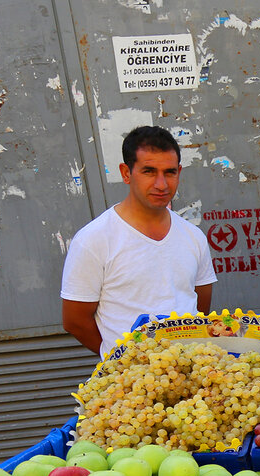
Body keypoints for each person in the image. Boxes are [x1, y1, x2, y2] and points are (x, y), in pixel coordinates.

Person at [61, 126, 216, 357]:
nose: (161, 184)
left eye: (170, 172)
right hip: (130, 375)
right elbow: (75, 321)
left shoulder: (193, 236)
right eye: (149, 172)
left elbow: (200, 307)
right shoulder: (94, 239)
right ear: (126, 173)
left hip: (191, 369)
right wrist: (122, 358)